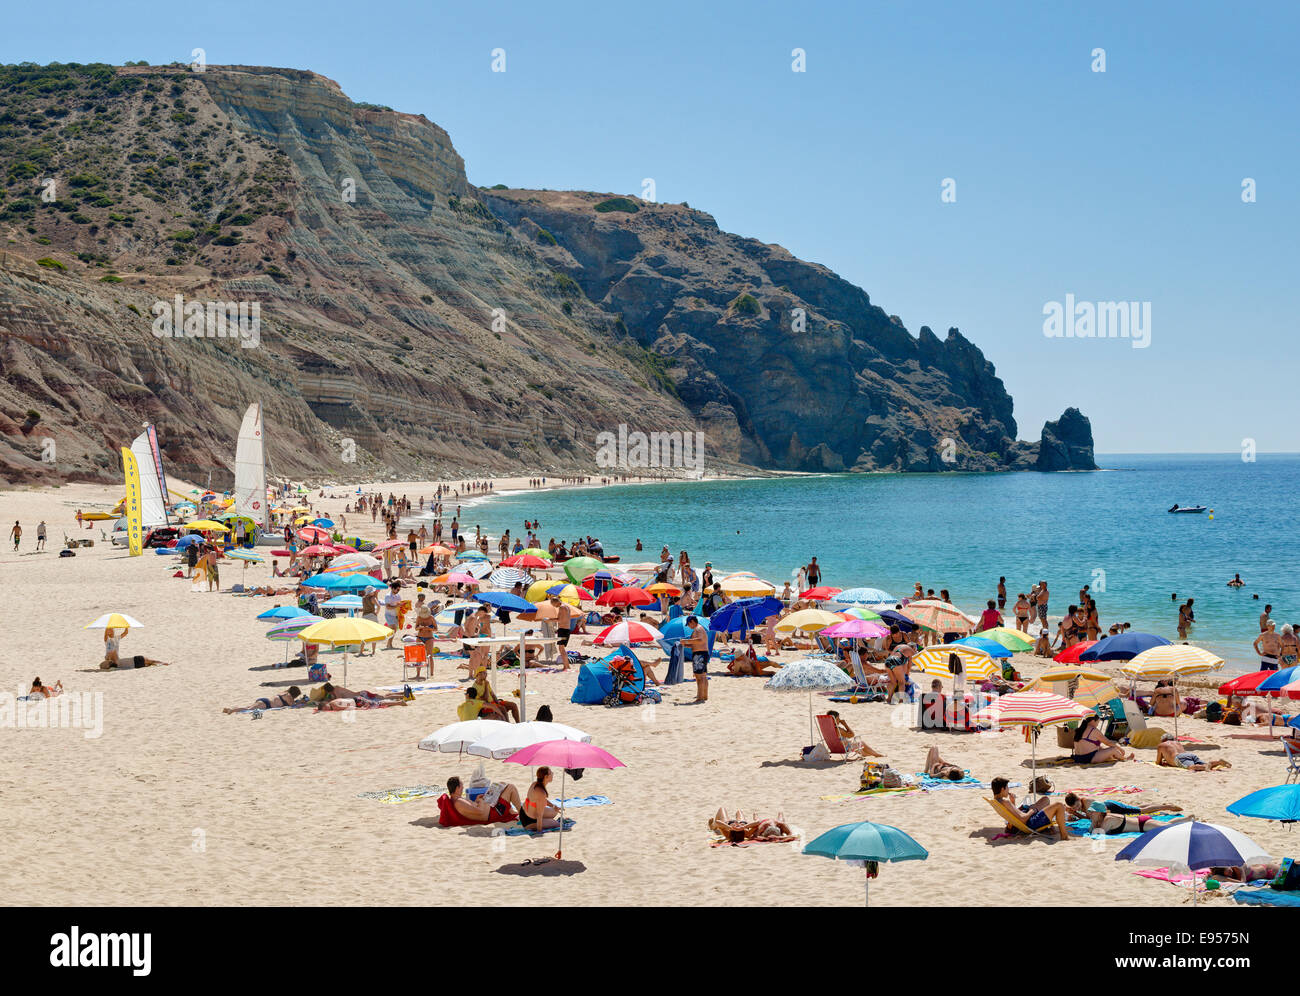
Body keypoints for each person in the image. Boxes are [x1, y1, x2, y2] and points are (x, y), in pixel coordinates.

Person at [991, 777, 1071, 840]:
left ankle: (1049, 828)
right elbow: (1023, 818)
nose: (1008, 789)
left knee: (1045, 799)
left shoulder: (997, 801)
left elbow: (1013, 815)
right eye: (1007, 787)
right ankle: (1064, 836)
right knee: (1059, 805)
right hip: (1031, 822)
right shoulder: (1006, 802)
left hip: (1025, 820)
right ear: (1002, 789)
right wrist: (1033, 810)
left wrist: (1013, 802)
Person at [442, 776, 521, 825]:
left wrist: (477, 800)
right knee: (511, 787)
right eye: (462, 785)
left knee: (501, 784)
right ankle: (523, 815)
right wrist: (481, 801)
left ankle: (517, 813)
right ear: (457, 788)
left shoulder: (457, 800)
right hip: (495, 813)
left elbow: (473, 809)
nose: (463, 787)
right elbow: (479, 811)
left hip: (492, 809)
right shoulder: (459, 802)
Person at [1062, 793, 1182, 819]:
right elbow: (1091, 817)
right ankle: (1160, 805)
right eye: (1075, 807)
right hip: (1110, 806)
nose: (1077, 808)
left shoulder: (1088, 802)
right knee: (1136, 808)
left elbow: (1102, 813)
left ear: (1078, 799)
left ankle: (1167, 807)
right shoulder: (1080, 806)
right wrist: (1075, 813)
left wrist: (1077, 814)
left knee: (1141, 811)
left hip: (1112, 807)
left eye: (1077, 805)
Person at [709, 808, 793, 843]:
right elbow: (757, 822)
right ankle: (712, 826)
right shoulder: (747, 833)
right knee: (739, 811)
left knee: (722, 809)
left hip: (727, 822)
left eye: (737, 827)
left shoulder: (727, 833)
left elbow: (718, 822)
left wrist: (730, 827)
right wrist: (744, 826)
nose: (738, 826)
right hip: (743, 822)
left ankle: (711, 826)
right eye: (739, 828)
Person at [684, 615, 710, 703]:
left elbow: (700, 640)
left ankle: (700, 697)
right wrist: (686, 645)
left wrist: (686, 641)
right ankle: (704, 695)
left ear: (692, 621)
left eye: (688, 624)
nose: (689, 626)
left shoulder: (698, 629)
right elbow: (697, 643)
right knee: (703, 676)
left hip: (700, 654)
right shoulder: (698, 629)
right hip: (701, 653)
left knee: (699, 677)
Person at [1155, 741, 1231, 770]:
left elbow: (1158, 762)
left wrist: (1166, 761)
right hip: (1189, 754)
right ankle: (1218, 762)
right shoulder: (1177, 742)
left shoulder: (1161, 745)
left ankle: (1205, 766)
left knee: (1191, 767)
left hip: (1178, 758)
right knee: (1204, 763)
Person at [223, 686, 302, 713]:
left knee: (248, 707)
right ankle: (231, 710)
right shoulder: (288, 696)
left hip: (265, 701)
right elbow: (292, 705)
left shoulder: (284, 692)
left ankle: (233, 708)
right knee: (248, 708)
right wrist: (302, 702)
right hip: (266, 703)